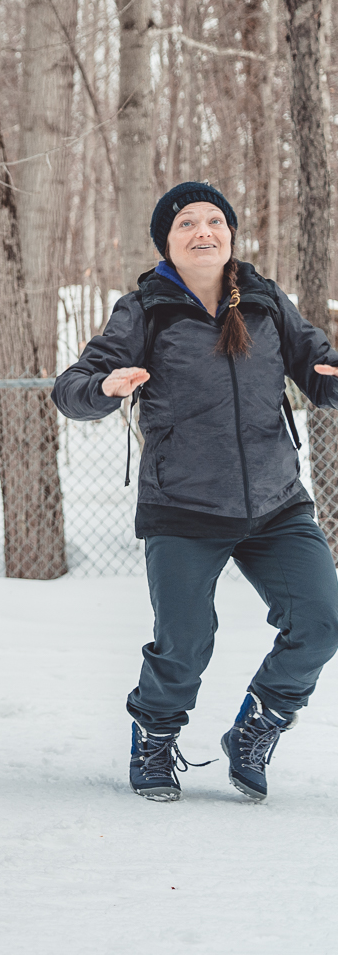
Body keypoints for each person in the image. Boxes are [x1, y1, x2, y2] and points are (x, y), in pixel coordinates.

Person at [53, 183, 338, 803]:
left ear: (230, 236)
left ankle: (260, 723)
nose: (203, 231)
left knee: (322, 623)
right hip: (183, 506)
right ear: (168, 243)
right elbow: (72, 385)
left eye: (215, 221)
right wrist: (103, 389)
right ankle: (155, 734)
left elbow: (319, 371)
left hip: (275, 503)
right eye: (187, 223)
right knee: (185, 642)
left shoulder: (264, 302)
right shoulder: (145, 310)